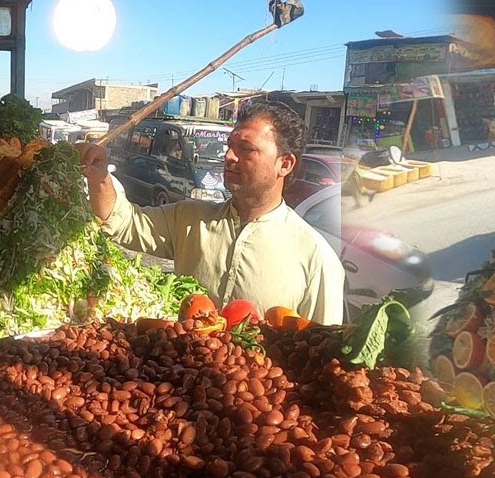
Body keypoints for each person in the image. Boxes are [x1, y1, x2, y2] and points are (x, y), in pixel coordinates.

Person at [76, 102, 346, 324]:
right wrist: (99, 176)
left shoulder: (316, 259)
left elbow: (321, 354)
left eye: (246, 149)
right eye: (230, 145)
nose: (229, 156)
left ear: (285, 164)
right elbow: (124, 222)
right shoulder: (189, 219)